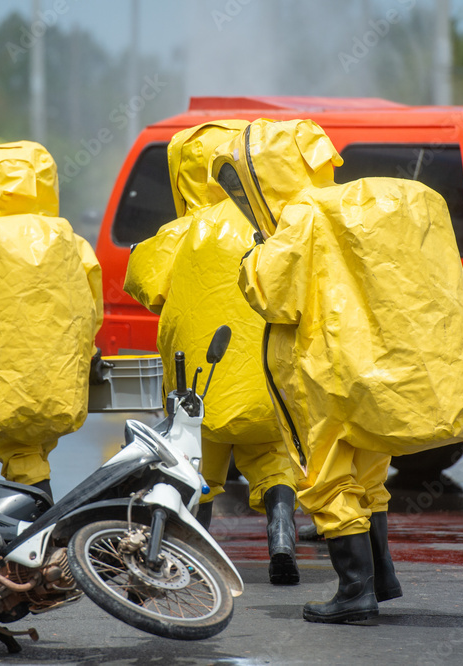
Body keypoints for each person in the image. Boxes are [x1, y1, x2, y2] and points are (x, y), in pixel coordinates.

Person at [210, 119, 463, 623]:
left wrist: (253, 256)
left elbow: (272, 295)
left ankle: (355, 591)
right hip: (364, 369)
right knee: (367, 473)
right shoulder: (345, 206)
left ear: (266, 175)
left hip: (319, 374)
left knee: (326, 474)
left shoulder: (302, 216)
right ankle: (381, 576)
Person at [124, 120, 299, 585]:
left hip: (203, 384)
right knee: (273, 461)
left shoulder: (180, 233)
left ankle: (194, 556)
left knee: (197, 466)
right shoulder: (277, 226)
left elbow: (144, 286)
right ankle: (282, 537)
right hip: (268, 381)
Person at [0, 141, 103, 499]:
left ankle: (36, 506)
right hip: (61, 386)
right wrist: (87, 351)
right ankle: (37, 500)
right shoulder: (69, 239)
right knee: (33, 447)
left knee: (19, 448)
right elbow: (93, 307)